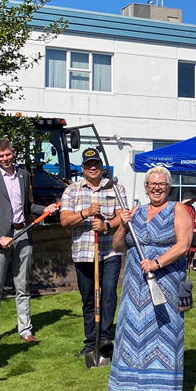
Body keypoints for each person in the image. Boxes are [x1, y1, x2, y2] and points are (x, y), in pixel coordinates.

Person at [107, 166, 192, 391]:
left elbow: (183, 245)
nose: (156, 187)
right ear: (145, 187)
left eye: (162, 184)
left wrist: (157, 262)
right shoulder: (136, 211)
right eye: (152, 184)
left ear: (168, 187)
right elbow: (118, 245)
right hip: (134, 286)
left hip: (164, 282)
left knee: (163, 334)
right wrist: (123, 225)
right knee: (130, 333)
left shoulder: (178, 209)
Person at [0, 138, 59, 350]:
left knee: (22, 286)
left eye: (8, 154)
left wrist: (44, 209)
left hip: (22, 233)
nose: (5, 159)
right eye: (1, 156)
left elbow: (26, 205)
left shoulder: (23, 175)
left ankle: (26, 330)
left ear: (13, 152)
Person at [60, 147, 126, 358]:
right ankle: (90, 343)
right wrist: (86, 213)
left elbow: (122, 216)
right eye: (89, 164)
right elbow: (65, 220)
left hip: (110, 252)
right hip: (84, 253)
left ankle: (105, 337)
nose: (93, 167)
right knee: (89, 298)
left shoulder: (115, 188)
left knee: (108, 294)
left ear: (101, 165)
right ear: (83, 168)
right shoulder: (72, 190)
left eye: (96, 163)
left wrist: (106, 226)